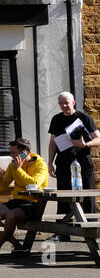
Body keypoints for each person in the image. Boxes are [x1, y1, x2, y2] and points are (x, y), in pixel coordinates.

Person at [0, 137, 48, 257]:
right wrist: (0, 178)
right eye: (11, 152)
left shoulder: (40, 165)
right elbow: (3, 187)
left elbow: (34, 183)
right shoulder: (12, 165)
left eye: (14, 153)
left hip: (33, 202)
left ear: (24, 153)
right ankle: (18, 246)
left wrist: (18, 170)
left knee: (11, 215)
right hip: (17, 200)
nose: (11, 155)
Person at [46, 91, 99, 220]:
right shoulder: (56, 119)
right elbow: (52, 142)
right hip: (63, 162)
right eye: (61, 103)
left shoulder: (85, 118)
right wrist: (50, 163)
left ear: (73, 103)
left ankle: (90, 230)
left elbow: (98, 139)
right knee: (63, 196)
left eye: (66, 103)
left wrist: (85, 144)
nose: (64, 106)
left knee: (87, 196)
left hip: (83, 162)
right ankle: (63, 232)